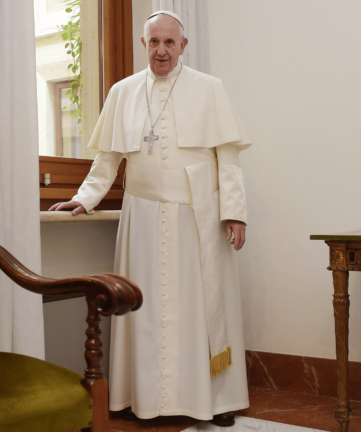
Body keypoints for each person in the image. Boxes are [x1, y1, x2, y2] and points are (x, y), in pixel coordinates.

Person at [49, 10, 250, 427]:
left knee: (199, 311)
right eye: (154, 42)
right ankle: (134, 396)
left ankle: (214, 400)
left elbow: (227, 160)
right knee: (142, 310)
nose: (161, 50)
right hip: (140, 217)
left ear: (183, 45)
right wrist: (83, 200)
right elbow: (106, 161)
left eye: (169, 43)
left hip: (198, 216)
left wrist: (234, 212)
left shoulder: (209, 89)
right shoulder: (123, 92)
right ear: (144, 44)